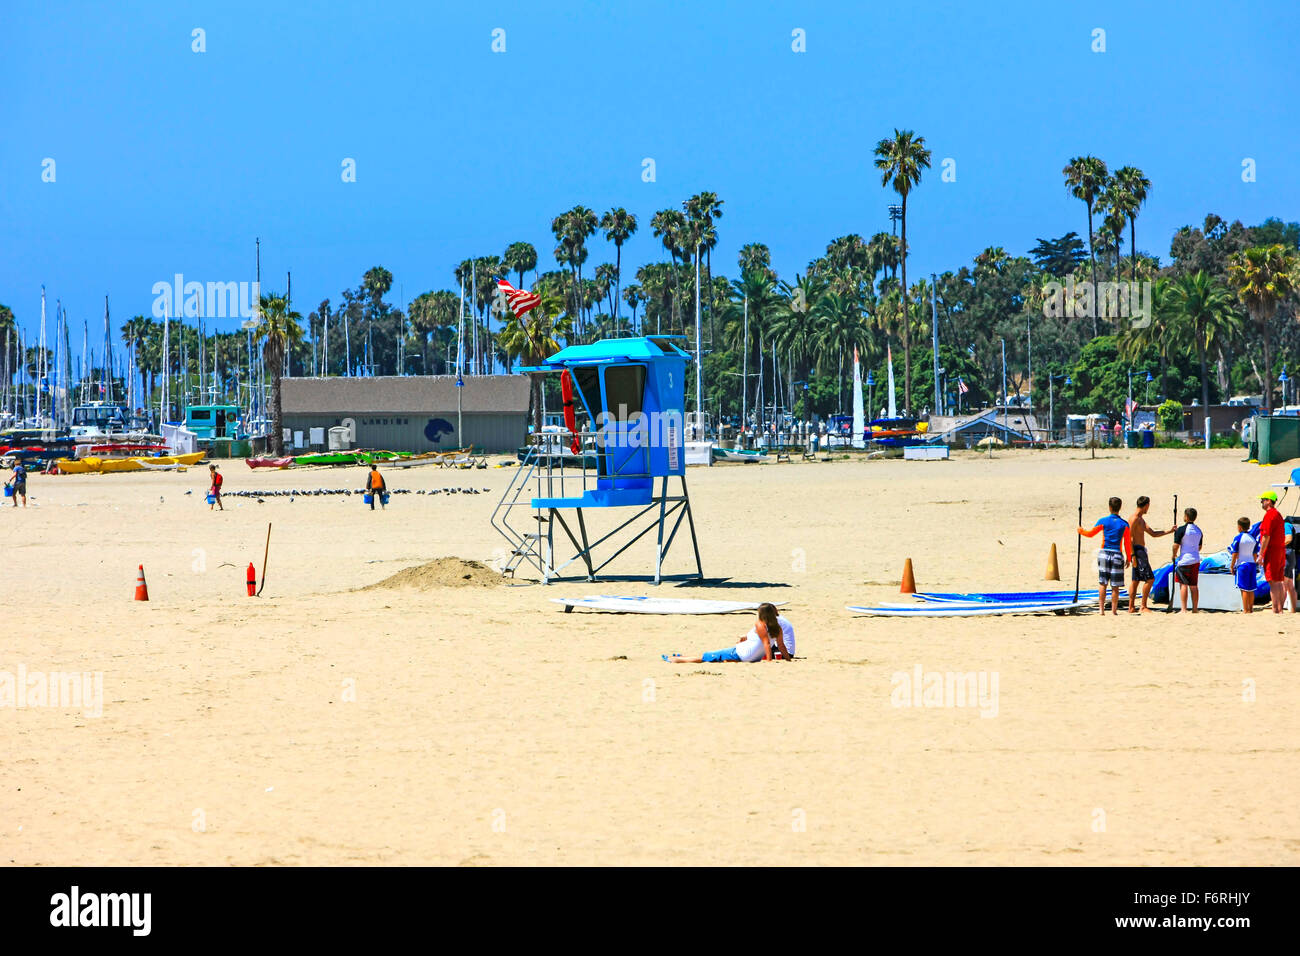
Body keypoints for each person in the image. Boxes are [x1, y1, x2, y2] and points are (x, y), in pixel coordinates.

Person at [664, 604, 792, 663]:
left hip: (742, 654)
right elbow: (781, 646)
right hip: (753, 657)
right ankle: (683, 656)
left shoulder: (760, 625)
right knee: (717, 657)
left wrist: (769, 662)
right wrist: (788, 660)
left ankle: (675, 659)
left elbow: (766, 644)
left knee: (705, 656)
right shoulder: (778, 628)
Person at [1077, 496, 1132, 615]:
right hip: (1117, 554)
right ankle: (1113, 610)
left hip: (1104, 553)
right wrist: (1129, 557)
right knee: (1115, 585)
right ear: (1120, 507)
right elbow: (1127, 543)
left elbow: (1091, 534)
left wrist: (1081, 531)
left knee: (1103, 583)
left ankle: (1101, 610)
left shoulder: (1103, 521)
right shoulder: (1125, 524)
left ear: (1109, 507)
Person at [1127, 496, 1173, 613]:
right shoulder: (1134, 519)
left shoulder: (1141, 520)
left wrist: (1169, 531)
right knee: (1150, 579)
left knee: (1136, 580)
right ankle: (1143, 606)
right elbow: (1129, 538)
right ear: (1146, 505)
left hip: (1140, 550)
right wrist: (1132, 556)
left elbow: (1153, 533)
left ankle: (1131, 607)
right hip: (1137, 551)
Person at [1257, 491, 1288, 613]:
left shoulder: (1270, 515)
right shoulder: (1278, 515)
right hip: (1280, 550)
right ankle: (1279, 608)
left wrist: (1260, 554)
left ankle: (1276, 609)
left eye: (1263, 499)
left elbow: (1266, 536)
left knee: (1273, 582)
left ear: (1268, 501)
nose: (1261, 502)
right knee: (1278, 581)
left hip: (1273, 551)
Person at [1172, 507, 1204, 613]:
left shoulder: (1181, 529)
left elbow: (1175, 545)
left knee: (1183, 584)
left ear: (1186, 517)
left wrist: (1174, 555)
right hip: (1195, 560)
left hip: (1185, 560)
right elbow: (1199, 547)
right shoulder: (1199, 530)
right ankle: (1195, 609)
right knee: (1194, 585)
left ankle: (1184, 609)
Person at [1229, 517, 1259, 614]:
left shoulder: (1238, 538)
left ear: (1240, 527)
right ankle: (1250, 609)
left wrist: (1231, 565)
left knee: (1244, 588)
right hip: (1252, 564)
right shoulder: (1252, 538)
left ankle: (1245, 609)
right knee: (1251, 589)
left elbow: (1234, 553)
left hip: (1243, 564)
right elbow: (1255, 554)